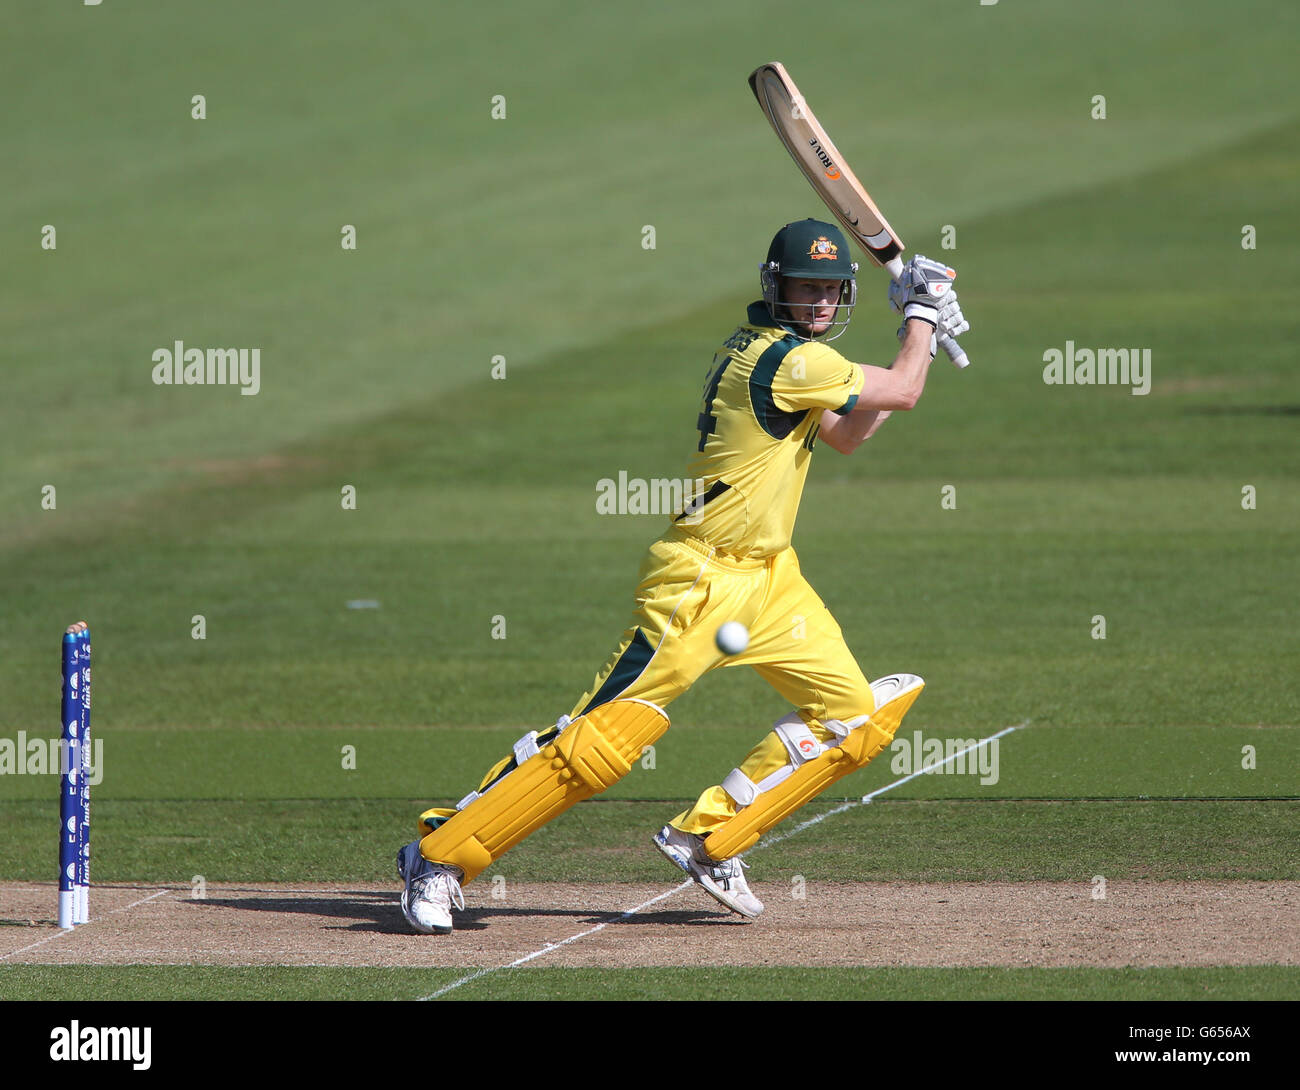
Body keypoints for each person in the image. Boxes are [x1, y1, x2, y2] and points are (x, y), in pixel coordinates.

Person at [396, 218, 968, 933]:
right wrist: (921, 316)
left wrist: (917, 339)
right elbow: (904, 393)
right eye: (806, 287)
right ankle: (439, 856)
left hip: (771, 579)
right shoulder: (790, 362)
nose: (820, 302)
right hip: (698, 581)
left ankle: (710, 838)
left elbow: (851, 432)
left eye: (830, 289)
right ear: (777, 288)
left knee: (853, 719)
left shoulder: (792, 357)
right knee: (602, 741)